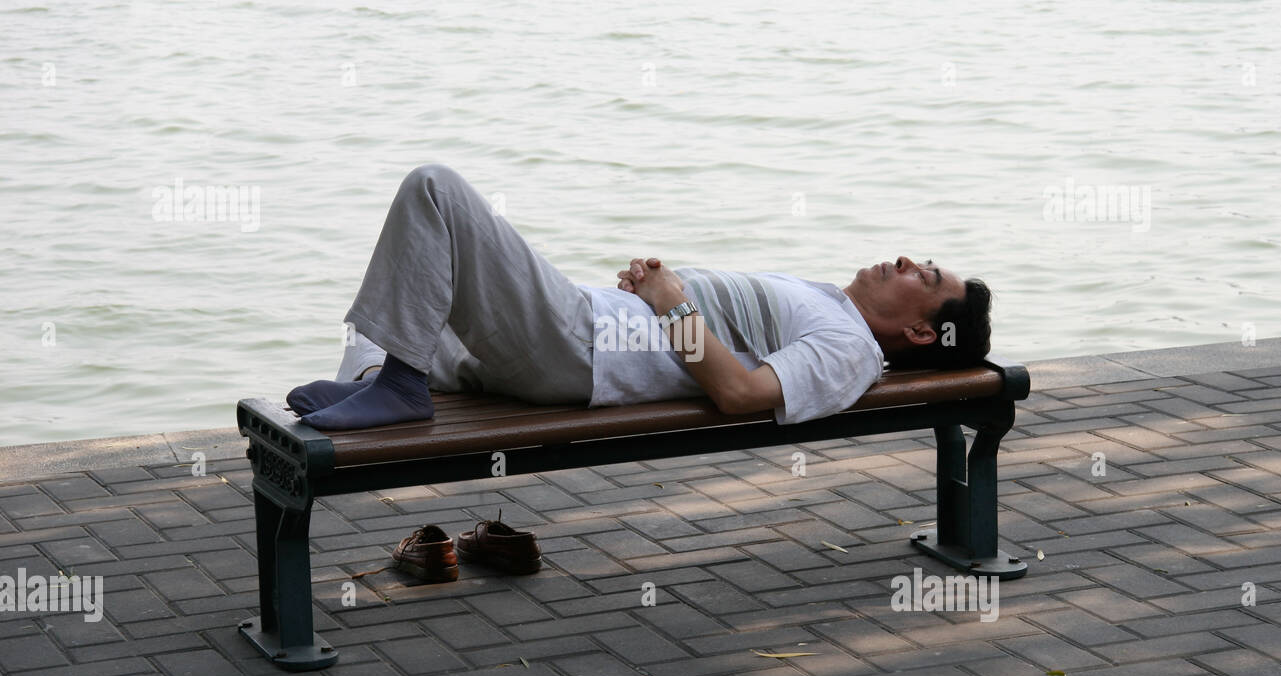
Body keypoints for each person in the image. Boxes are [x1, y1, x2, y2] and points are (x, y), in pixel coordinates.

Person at [286, 163, 992, 430]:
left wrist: (668, 303)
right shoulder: (829, 307)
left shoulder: (849, 350)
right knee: (413, 284)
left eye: (923, 275)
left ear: (926, 333)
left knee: (433, 190)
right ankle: (381, 374)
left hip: (582, 348)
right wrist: (652, 292)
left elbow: (741, 395)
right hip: (586, 330)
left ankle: (401, 384)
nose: (905, 260)